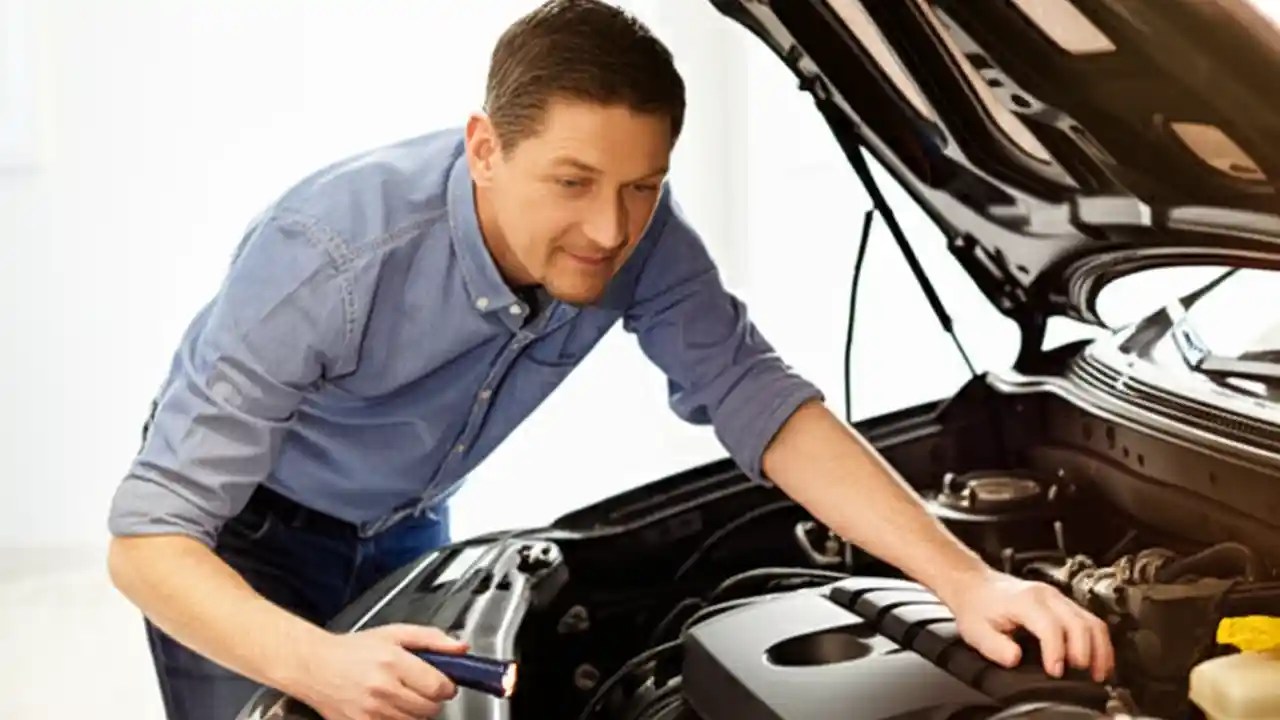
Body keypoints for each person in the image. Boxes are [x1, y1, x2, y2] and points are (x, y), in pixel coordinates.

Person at [106, 1, 1115, 719]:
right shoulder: (325, 256)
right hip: (239, 538)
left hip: (405, 518)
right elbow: (147, 544)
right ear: (484, 148)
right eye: (573, 180)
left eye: (641, 185)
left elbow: (756, 399)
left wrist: (966, 582)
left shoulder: (643, 235)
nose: (607, 228)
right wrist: (315, 665)